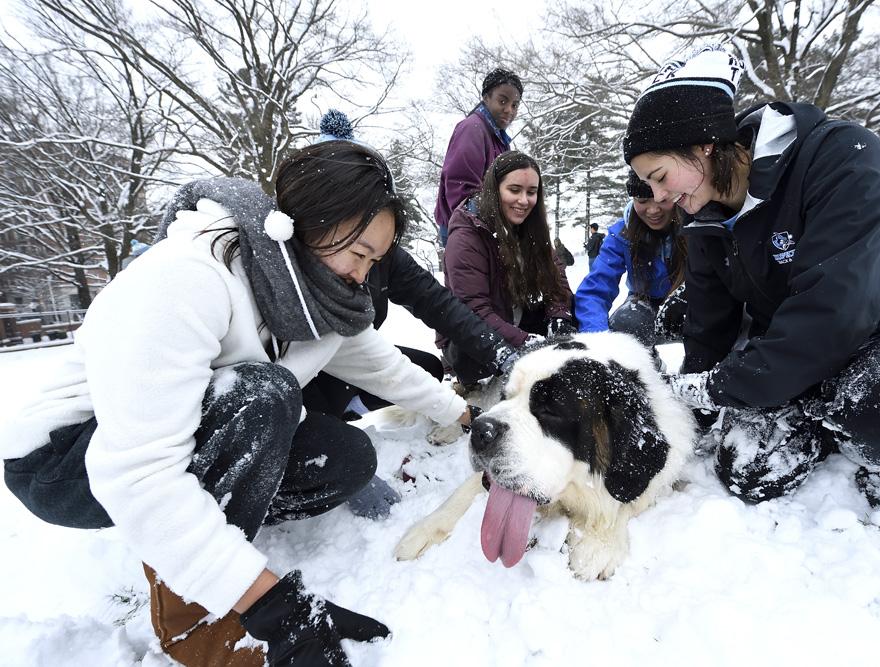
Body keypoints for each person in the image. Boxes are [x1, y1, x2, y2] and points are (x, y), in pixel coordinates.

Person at [2, 140, 477, 666]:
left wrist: (462, 415)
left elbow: (382, 367)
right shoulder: (189, 276)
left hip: (178, 439)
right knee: (263, 394)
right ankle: (195, 616)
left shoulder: (320, 299)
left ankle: (210, 533)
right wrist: (273, 607)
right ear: (304, 223)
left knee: (347, 458)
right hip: (68, 459)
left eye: (375, 260)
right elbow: (138, 473)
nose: (362, 275)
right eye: (358, 252)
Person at [623, 45, 880, 506]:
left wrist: (726, 388)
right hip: (796, 330)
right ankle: (811, 402)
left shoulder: (843, 159)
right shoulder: (706, 215)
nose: (659, 197)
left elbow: (836, 311)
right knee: (747, 473)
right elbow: (710, 325)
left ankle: (847, 405)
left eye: (660, 175)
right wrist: (691, 412)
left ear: (703, 144)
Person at [306, 110, 518, 438]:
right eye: (358, 248)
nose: (363, 273)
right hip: (305, 381)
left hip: (354, 360)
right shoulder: (288, 272)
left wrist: (501, 352)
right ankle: (326, 422)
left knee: (427, 369)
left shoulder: (386, 256)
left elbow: (441, 305)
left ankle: (348, 409)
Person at [440, 150, 575, 385]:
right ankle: (468, 383)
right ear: (494, 189)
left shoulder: (529, 225)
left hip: (515, 317)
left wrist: (559, 317)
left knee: (570, 324)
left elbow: (556, 279)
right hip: (472, 330)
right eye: (514, 190)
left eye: (531, 192)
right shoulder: (466, 236)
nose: (524, 200)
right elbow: (473, 309)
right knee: (471, 356)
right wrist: (528, 343)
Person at [575, 169, 688, 348]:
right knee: (626, 321)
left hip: (692, 301)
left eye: (662, 200)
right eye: (642, 201)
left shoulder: (695, 224)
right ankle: (644, 364)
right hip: (645, 302)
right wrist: (596, 339)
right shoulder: (621, 234)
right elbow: (596, 290)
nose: (653, 210)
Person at [435, 68, 523, 246]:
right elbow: (460, 188)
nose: (509, 110)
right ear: (486, 98)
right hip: (464, 227)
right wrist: (497, 216)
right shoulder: (472, 129)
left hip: (483, 226)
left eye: (514, 105)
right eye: (502, 101)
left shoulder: (499, 139)